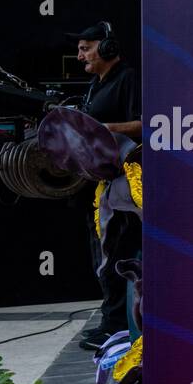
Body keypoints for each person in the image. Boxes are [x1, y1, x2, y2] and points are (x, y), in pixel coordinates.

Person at [68, 21, 142, 350]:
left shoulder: (128, 78)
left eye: (86, 48)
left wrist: (103, 127)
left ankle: (117, 327)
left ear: (108, 47)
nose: (80, 54)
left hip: (126, 185)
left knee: (117, 253)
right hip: (99, 184)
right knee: (102, 254)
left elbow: (146, 122)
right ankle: (109, 320)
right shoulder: (96, 84)